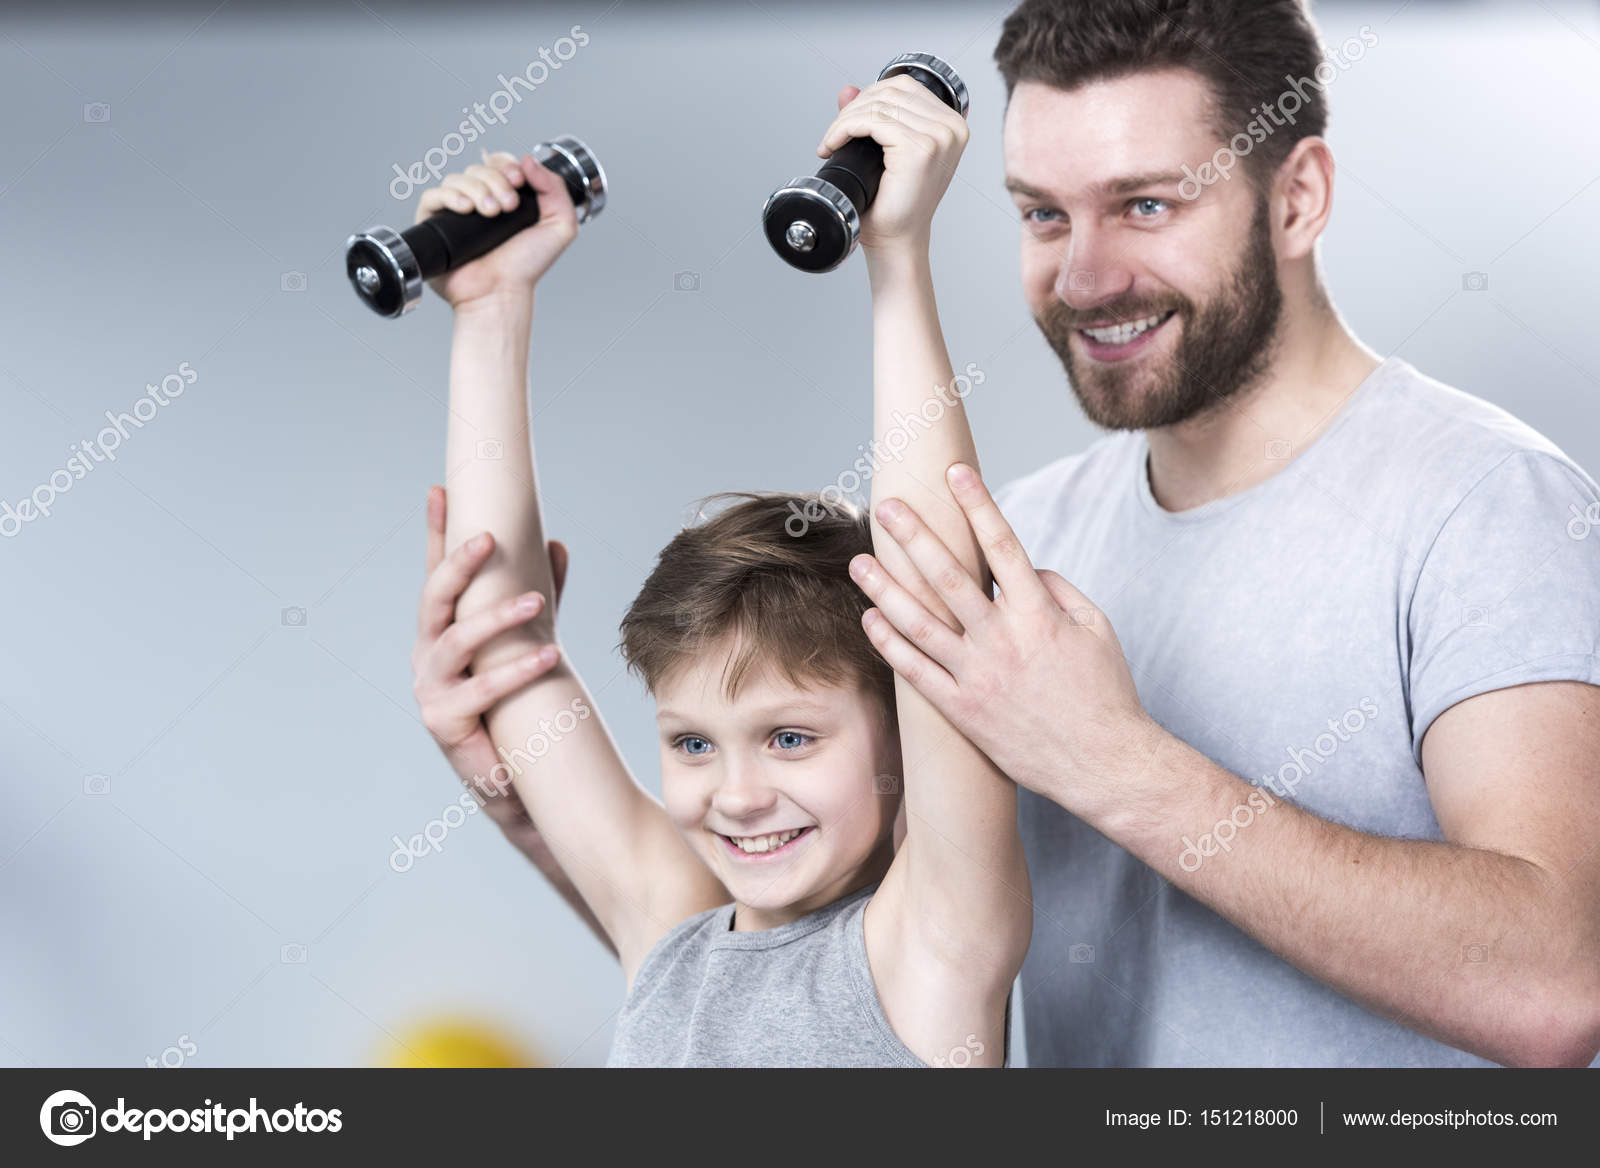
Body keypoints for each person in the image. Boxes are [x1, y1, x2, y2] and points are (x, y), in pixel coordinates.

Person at [845, 0, 1600, 1067]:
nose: (1083, 279)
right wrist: (543, 789)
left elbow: (1557, 984)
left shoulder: (1487, 504)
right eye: (1042, 215)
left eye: (1143, 205)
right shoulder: (1026, 536)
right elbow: (887, 949)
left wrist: (1114, 760)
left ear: (1295, 199)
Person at [408, 77, 1030, 1065]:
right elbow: (507, 646)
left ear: (903, 736)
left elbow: (933, 599)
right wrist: (490, 313)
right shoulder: (673, 932)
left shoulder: (929, 948)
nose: (735, 793)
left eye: (788, 736)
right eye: (693, 744)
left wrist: (895, 254)